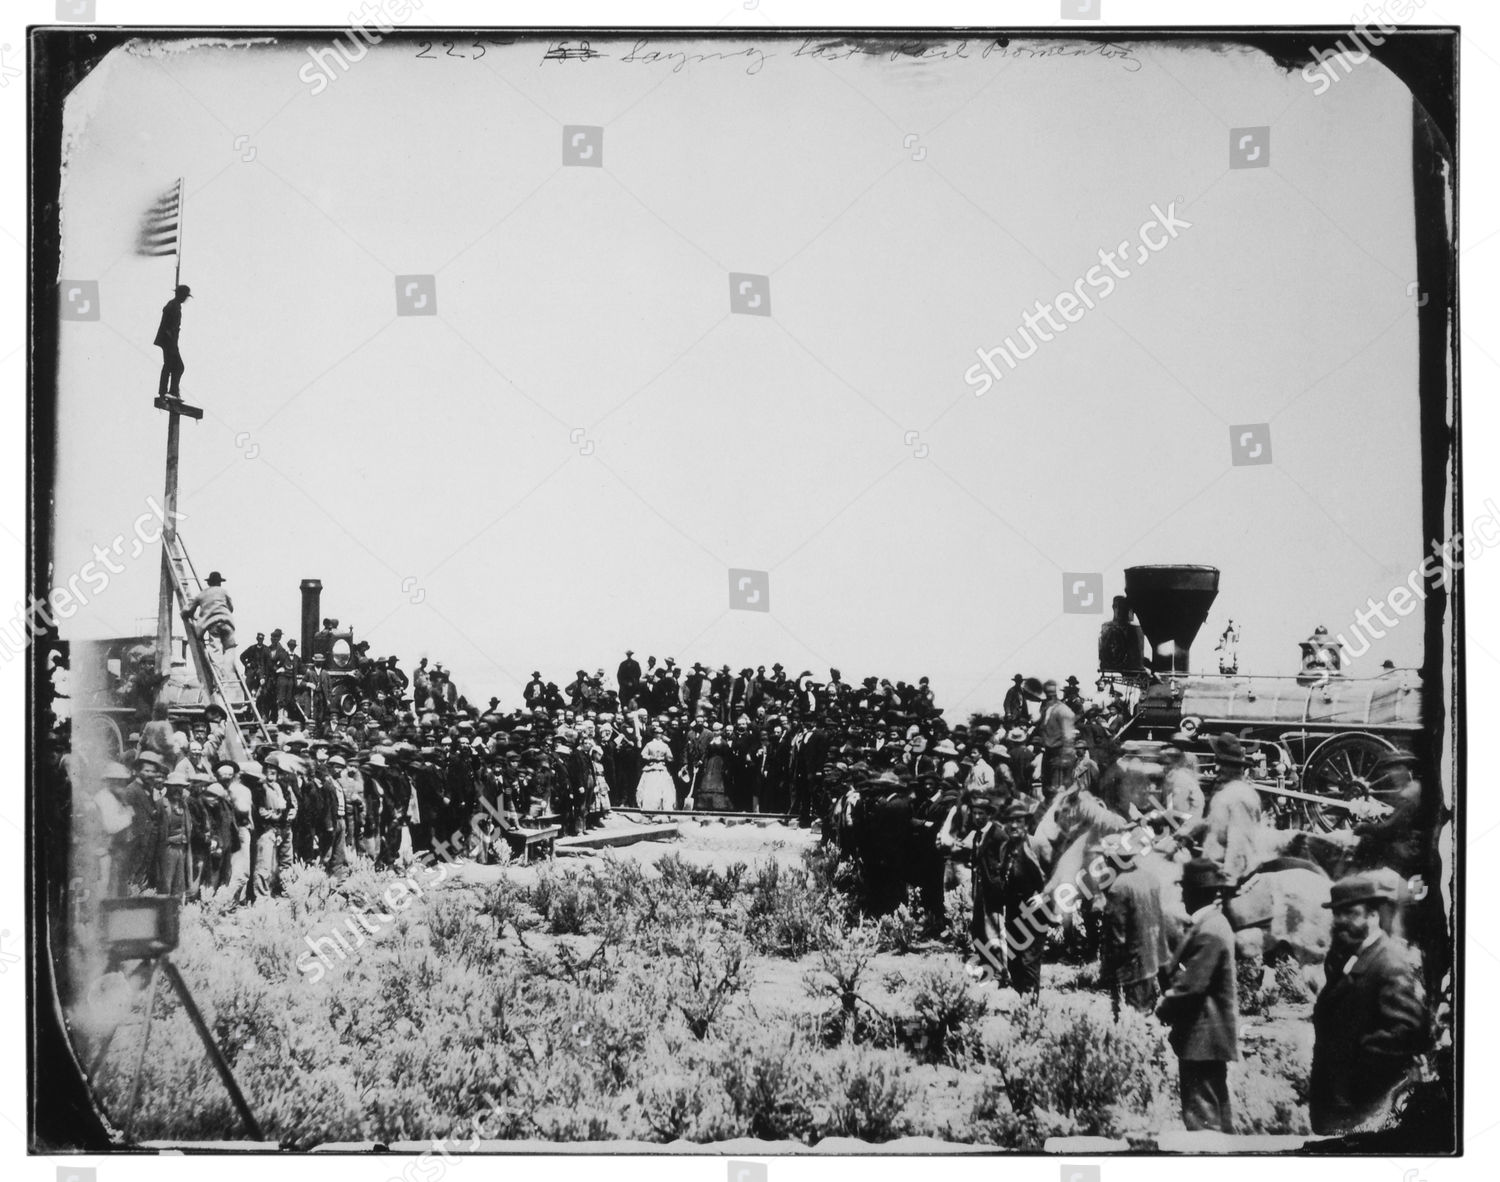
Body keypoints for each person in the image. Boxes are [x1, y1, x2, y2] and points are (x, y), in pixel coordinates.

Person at [1309, 872, 1429, 1135]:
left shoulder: (1389, 963)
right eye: (1337, 914)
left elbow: (1405, 1031)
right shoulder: (1349, 957)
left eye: (1350, 914)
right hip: (1338, 1105)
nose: (1341, 922)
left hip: (1361, 1107)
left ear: (1373, 915)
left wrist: (1356, 1072)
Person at [1157, 857, 1238, 1134]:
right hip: (1207, 1036)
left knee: (1203, 1122)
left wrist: (1160, 1011)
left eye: (1184, 889)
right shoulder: (1211, 924)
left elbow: (1191, 987)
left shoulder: (1210, 930)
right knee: (1215, 1113)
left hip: (1202, 1037)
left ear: (1194, 892)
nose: (1181, 895)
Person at [1098, 831, 1169, 1016]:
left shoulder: (1118, 887)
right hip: (1152, 955)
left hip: (1131, 962)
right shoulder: (1150, 878)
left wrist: (1109, 969)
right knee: (1146, 1007)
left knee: (1132, 1015)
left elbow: (1116, 935)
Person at [1193, 735, 1263, 882]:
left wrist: (1228, 879)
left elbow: (1239, 842)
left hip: (1226, 877)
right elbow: (1216, 823)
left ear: (1232, 767)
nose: (1217, 768)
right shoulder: (1227, 793)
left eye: (1221, 764)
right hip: (1213, 868)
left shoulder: (1238, 795)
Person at [153, 283, 191, 399]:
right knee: (176, 366)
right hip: (168, 341)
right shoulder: (172, 306)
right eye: (184, 296)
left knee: (174, 366)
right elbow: (168, 325)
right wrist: (171, 340)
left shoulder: (175, 305)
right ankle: (168, 392)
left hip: (171, 341)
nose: (185, 298)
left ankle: (170, 392)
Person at [188, 570, 237, 655]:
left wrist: (186, 614)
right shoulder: (224, 592)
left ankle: (217, 667)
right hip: (227, 623)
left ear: (209, 583)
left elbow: (189, 609)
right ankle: (229, 667)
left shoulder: (202, 594)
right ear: (220, 583)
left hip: (213, 624)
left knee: (215, 650)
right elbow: (231, 609)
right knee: (230, 649)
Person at [636, 726, 675, 813]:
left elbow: (670, 757)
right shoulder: (649, 744)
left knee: (663, 789)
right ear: (654, 734)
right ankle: (650, 808)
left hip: (661, 768)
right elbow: (643, 755)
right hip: (651, 768)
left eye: (660, 733)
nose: (658, 735)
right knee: (650, 788)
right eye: (656, 733)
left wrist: (664, 758)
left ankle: (662, 808)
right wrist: (652, 758)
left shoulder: (665, 745)